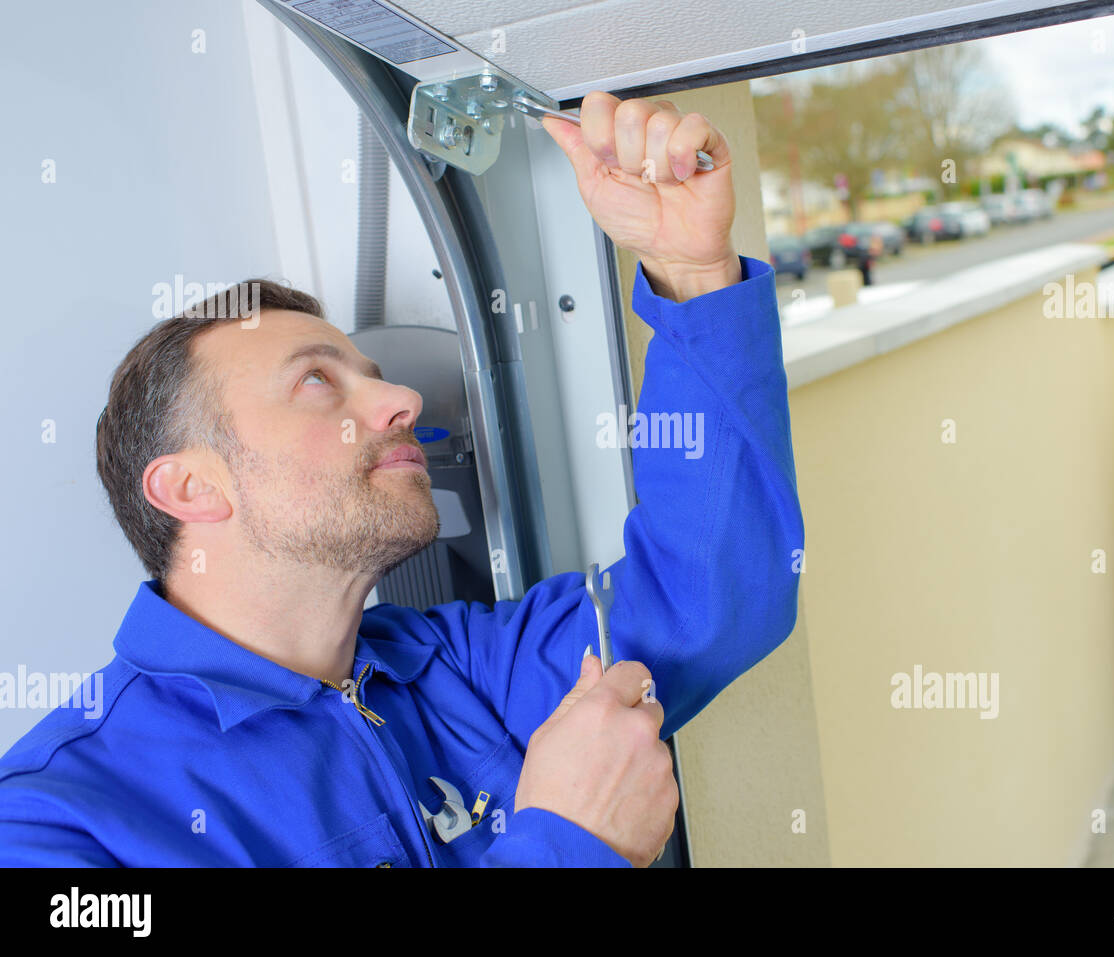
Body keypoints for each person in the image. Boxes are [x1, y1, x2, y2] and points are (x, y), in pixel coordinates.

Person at [0, 92, 803, 867]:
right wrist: (569, 842)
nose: (403, 400)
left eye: (373, 373)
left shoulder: (452, 668)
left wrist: (690, 269)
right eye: (317, 381)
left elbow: (710, 591)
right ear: (191, 487)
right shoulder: (57, 820)